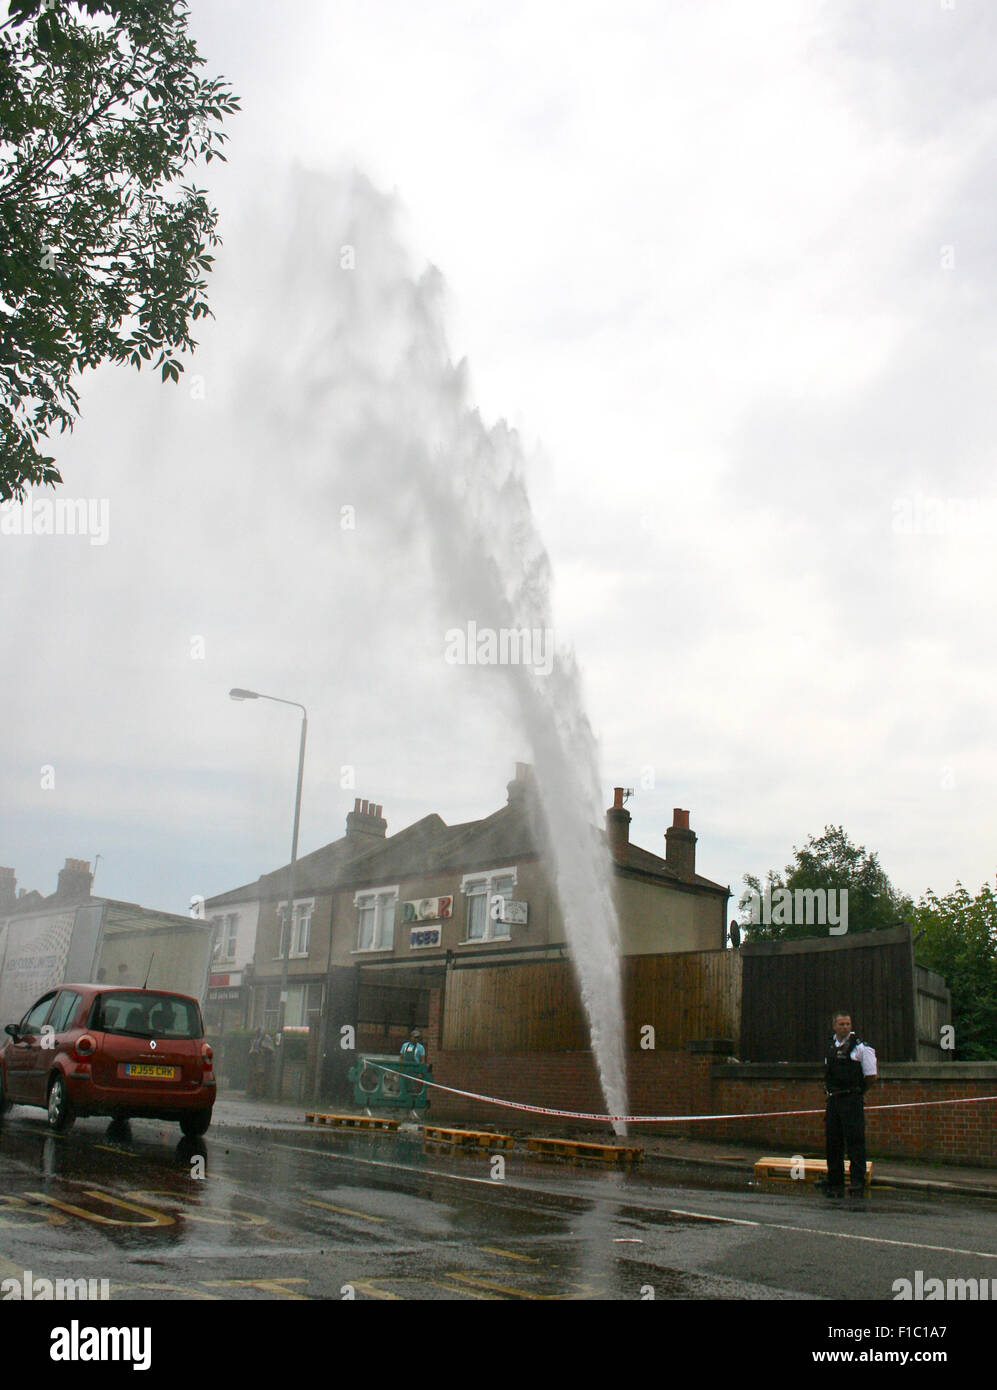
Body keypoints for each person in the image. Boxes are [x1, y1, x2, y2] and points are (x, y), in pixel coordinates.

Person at [821, 1011, 877, 1198]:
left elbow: (871, 1076)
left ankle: (857, 1180)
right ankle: (834, 1178)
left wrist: (859, 1092)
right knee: (833, 1140)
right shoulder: (830, 1047)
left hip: (851, 1099)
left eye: (848, 1024)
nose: (845, 1027)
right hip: (834, 1099)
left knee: (855, 1141)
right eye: (841, 1024)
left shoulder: (861, 1048)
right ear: (834, 1026)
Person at [248, 1025, 275, 1097]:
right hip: (255, 1058)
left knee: (261, 1075)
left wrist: (263, 1050)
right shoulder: (256, 1038)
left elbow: (269, 1048)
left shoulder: (266, 1038)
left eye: (258, 1031)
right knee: (254, 1075)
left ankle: (261, 1093)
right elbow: (253, 1047)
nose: (257, 1033)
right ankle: (254, 1091)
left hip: (262, 1059)